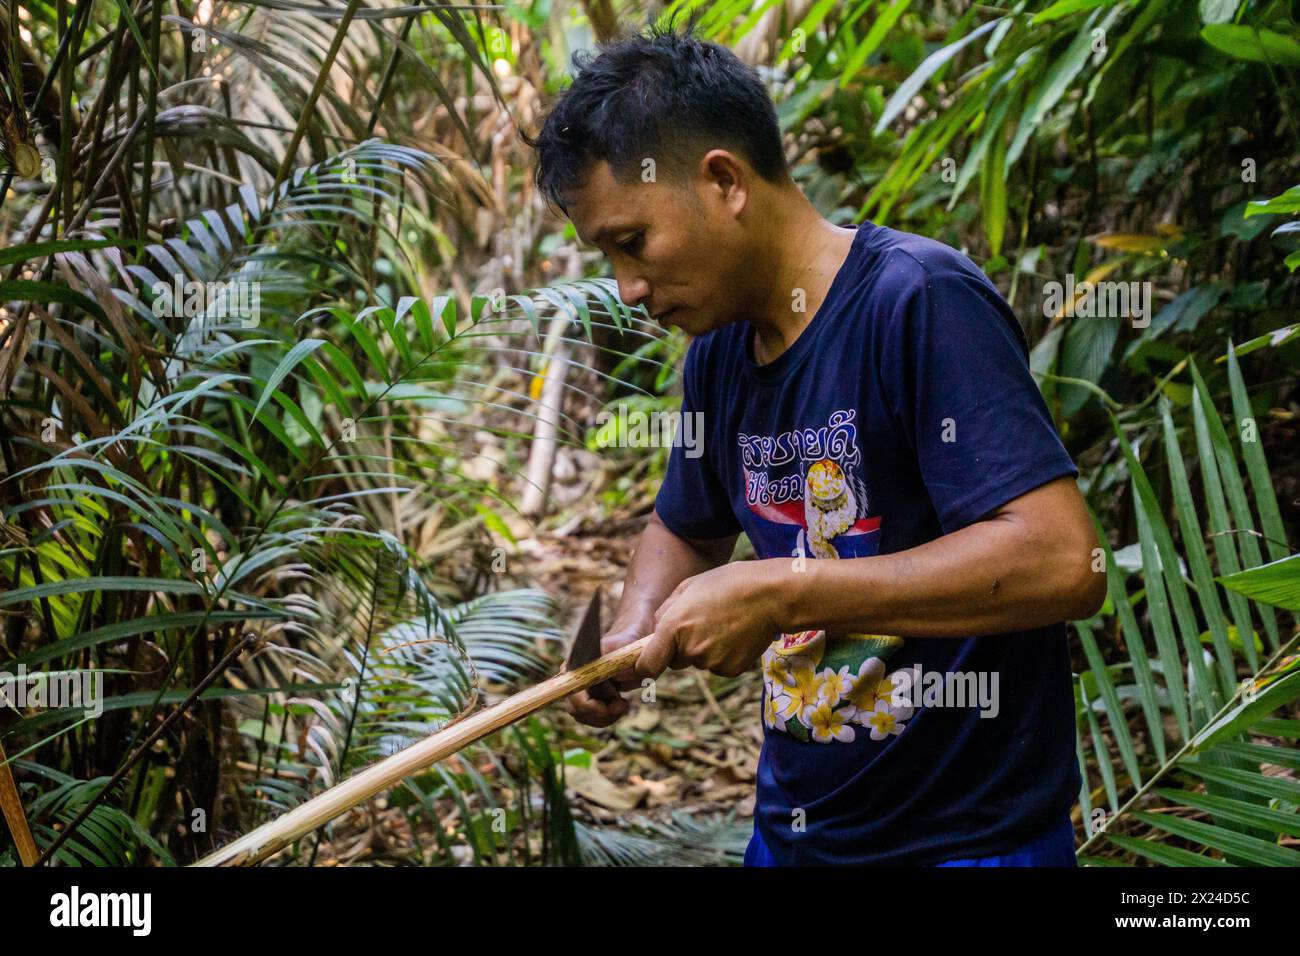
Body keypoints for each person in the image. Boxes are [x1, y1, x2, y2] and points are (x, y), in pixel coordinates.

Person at [523, 21, 1105, 866]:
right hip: (798, 833)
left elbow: (1060, 561)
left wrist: (785, 594)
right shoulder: (720, 352)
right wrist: (636, 627)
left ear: (723, 180)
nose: (629, 288)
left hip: (969, 843)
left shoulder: (918, 302)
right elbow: (687, 527)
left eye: (632, 241)